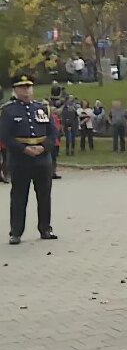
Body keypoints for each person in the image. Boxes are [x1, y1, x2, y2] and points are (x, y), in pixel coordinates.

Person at [1, 73, 57, 245]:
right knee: (19, 196)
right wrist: (24, 149)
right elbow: (5, 135)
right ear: (15, 90)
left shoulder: (43, 107)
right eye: (22, 87)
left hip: (42, 157)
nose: (26, 90)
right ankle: (16, 232)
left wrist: (44, 147)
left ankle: (45, 228)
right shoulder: (8, 110)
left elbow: (53, 131)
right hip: (20, 159)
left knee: (44, 195)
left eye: (29, 86)